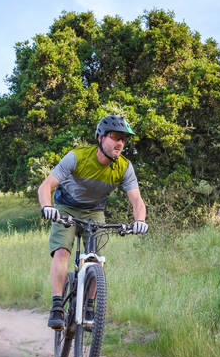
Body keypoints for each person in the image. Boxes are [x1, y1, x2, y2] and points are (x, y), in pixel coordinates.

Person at [37, 114, 148, 329]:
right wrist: (48, 208)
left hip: (94, 211)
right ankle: (57, 305)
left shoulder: (124, 167)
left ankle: (88, 306)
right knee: (62, 251)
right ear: (100, 137)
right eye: (115, 137)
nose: (120, 143)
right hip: (66, 208)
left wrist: (140, 221)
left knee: (97, 260)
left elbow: (137, 201)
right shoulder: (77, 157)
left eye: (123, 139)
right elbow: (46, 186)